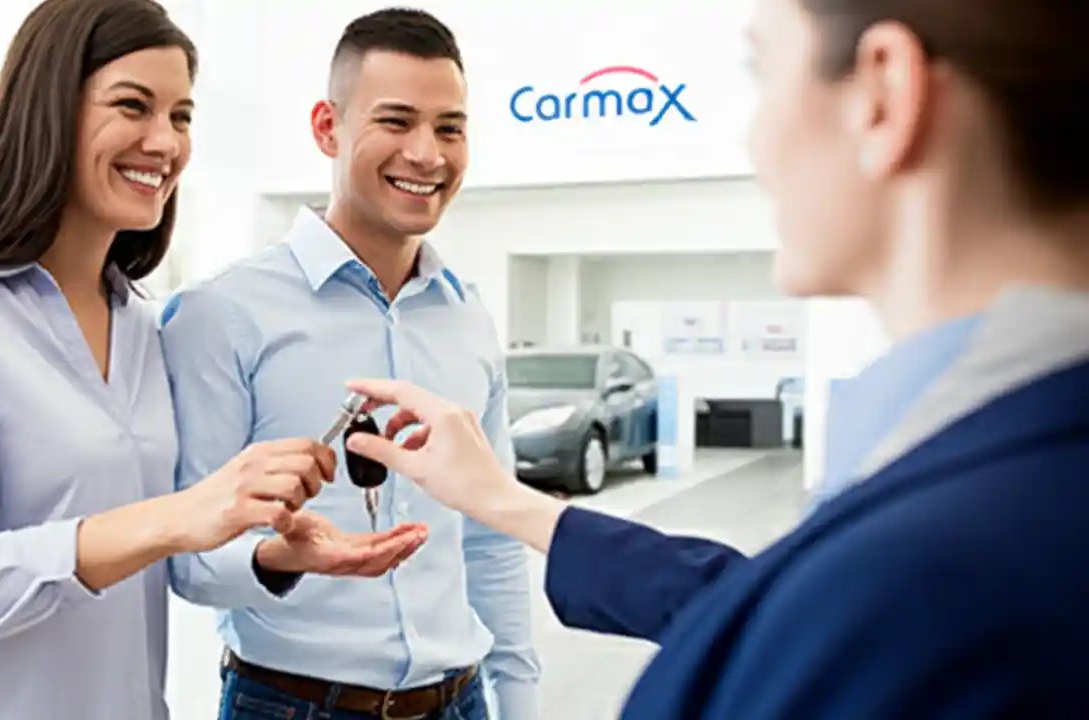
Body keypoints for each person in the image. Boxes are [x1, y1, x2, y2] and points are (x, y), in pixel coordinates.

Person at [342, 0, 1089, 717]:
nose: (755, 141)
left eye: (763, 73)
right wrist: (507, 501)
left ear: (886, 94)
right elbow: (782, 605)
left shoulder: (947, 564)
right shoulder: (1000, 483)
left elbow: (842, 624)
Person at [0, 1, 420, 719]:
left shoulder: (140, 323)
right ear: (48, 109)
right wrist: (179, 513)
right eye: (132, 106)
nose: (163, 142)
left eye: (180, 116)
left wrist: (270, 554)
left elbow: (145, 550)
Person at [160, 8, 539, 720]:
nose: (427, 154)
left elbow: (491, 536)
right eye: (396, 121)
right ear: (327, 128)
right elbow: (186, 558)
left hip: (462, 701)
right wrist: (280, 556)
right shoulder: (222, 314)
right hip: (293, 705)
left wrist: (516, 702)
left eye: (449, 127)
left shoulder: (469, 319)